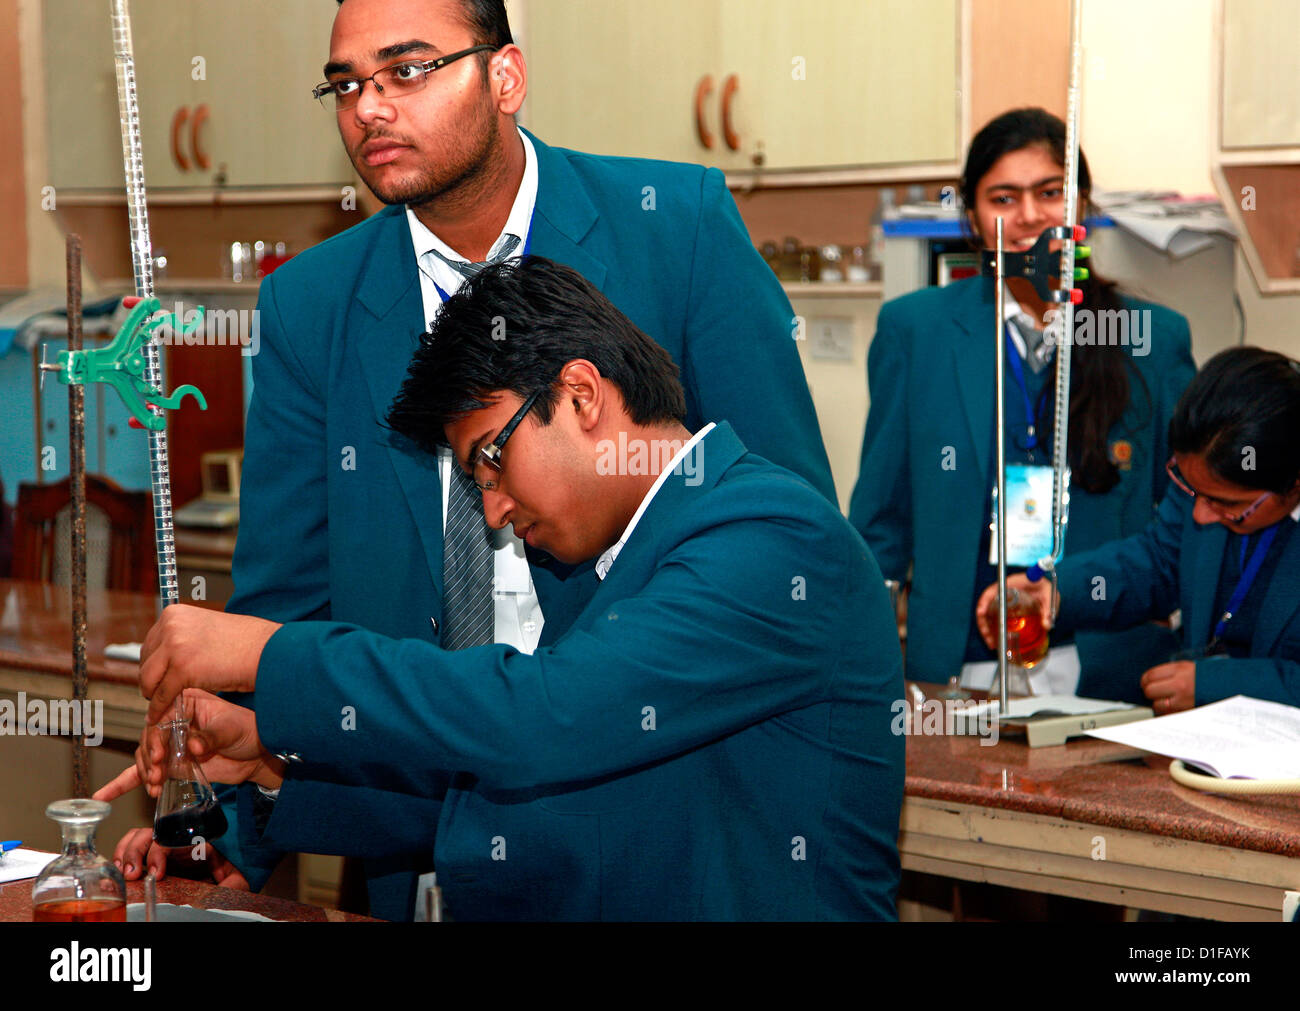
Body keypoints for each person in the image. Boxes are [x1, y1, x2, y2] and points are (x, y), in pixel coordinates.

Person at [108, 0, 834, 918]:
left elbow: (781, 537)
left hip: (663, 818)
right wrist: (230, 833)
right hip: (408, 823)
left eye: (406, 70)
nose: (369, 107)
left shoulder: (675, 227)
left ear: (505, 77)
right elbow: (284, 600)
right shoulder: (311, 305)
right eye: (346, 84)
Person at [98, 257, 905, 921]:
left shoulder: (769, 535)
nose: (490, 507)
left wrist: (269, 652)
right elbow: (521, 789)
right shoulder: (619, 548)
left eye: (491, 457)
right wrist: (273, 763)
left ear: (582, 396)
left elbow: (543, 717)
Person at [849, 107, 1197, 702]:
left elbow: (1187, 515)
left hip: (1111, 670)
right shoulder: (916, 332)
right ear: (973, 216)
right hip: (954, 670)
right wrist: (861, 658)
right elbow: (882, 521)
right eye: (1003, 197)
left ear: (1081, 206)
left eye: (1051, 192)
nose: (1030, 216)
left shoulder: (1151, 340)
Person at [976, 347, 1300, 713]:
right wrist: (1059, 590)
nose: (1200, 514)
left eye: (1229, 506)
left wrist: (1215, 684)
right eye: (1189, 490)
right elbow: (1159, 562)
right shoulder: (1209, 485)